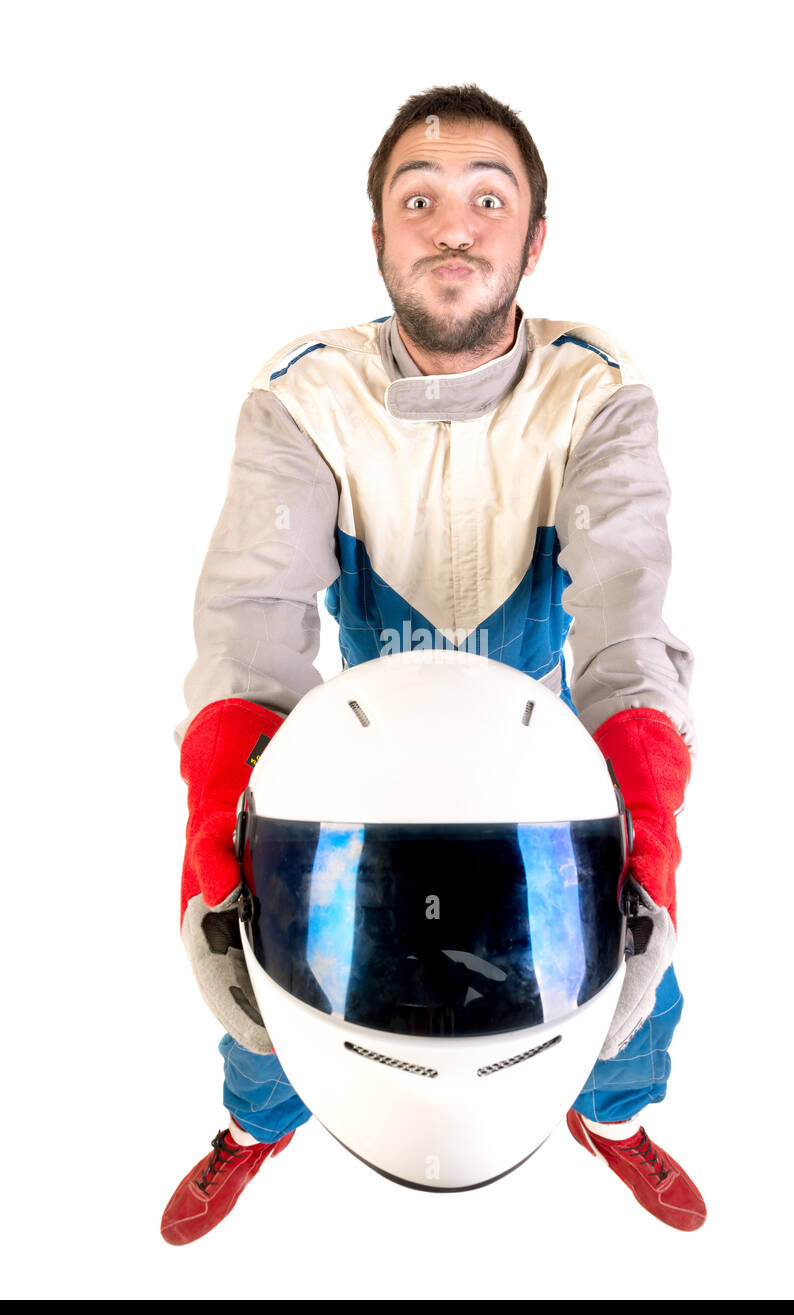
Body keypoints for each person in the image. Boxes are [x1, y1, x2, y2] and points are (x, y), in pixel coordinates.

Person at [162, 83, 706, 1245]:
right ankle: (257, 1123)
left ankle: (612, 1117)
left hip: (546, 757)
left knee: (632, 970)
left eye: (486, 199)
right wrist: (219, 830)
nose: (453, 226)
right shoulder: (304, 393)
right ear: (379, 237)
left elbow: (626, 624)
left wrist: (648, 837)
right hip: (366, 762)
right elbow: (253, 620)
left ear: (532, 237)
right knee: (267, 962)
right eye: (420, 200)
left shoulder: (596, 391)